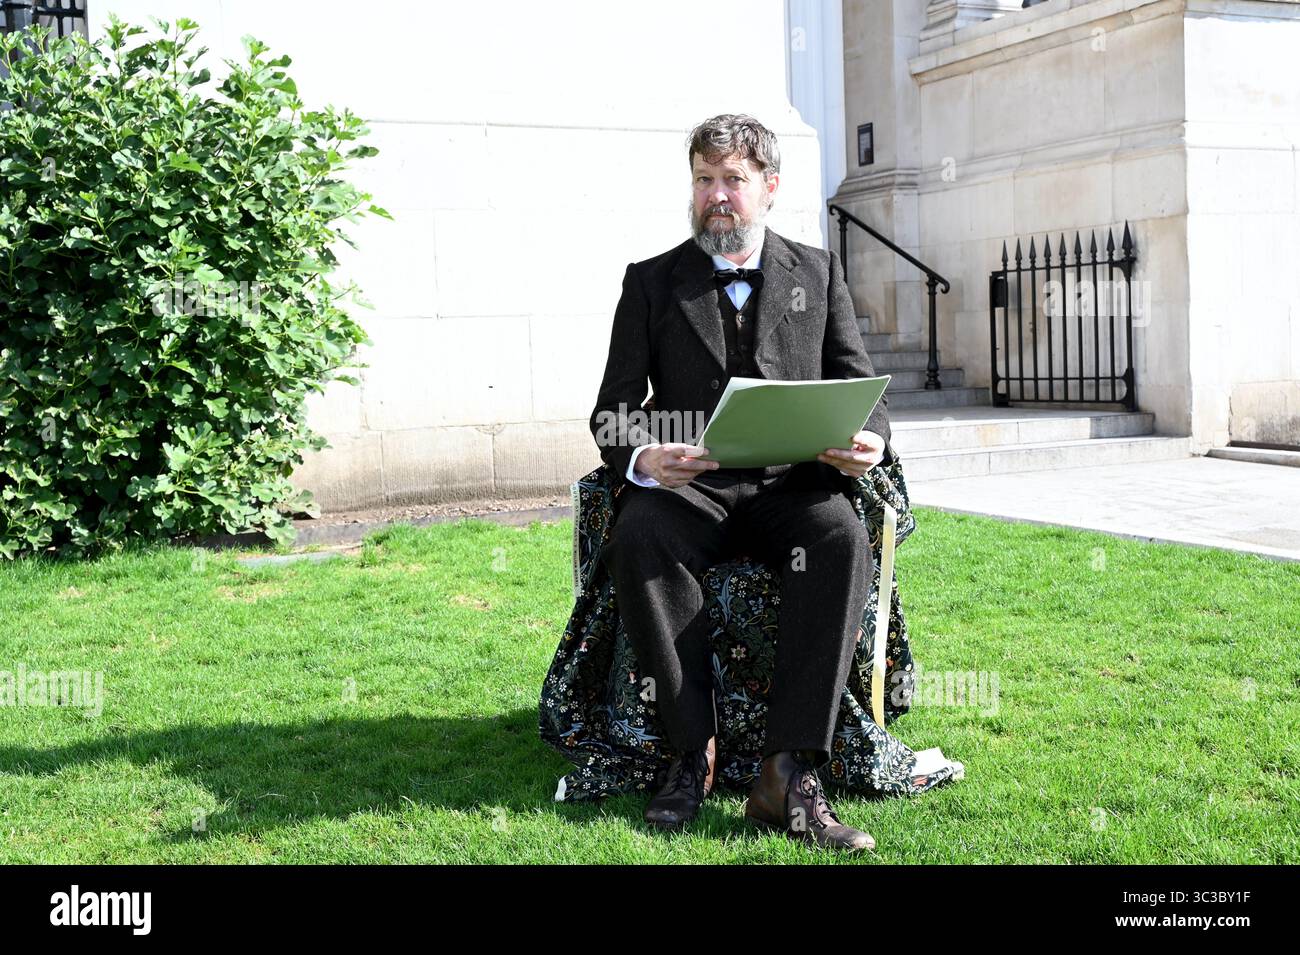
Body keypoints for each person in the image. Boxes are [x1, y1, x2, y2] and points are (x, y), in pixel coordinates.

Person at [590, 113, 896, 852]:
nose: (716, 196)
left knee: (840, 537)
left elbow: (865, 389)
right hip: (692, 487)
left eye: (732, 180)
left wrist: (869, 442)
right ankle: (689, 754)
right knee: (640, 533)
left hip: (793, 486)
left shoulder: (817, 273)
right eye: (704, 180)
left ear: (770, 188)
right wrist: (644, 457)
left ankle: (786, 775)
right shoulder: (651, 283)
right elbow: (612, 413)